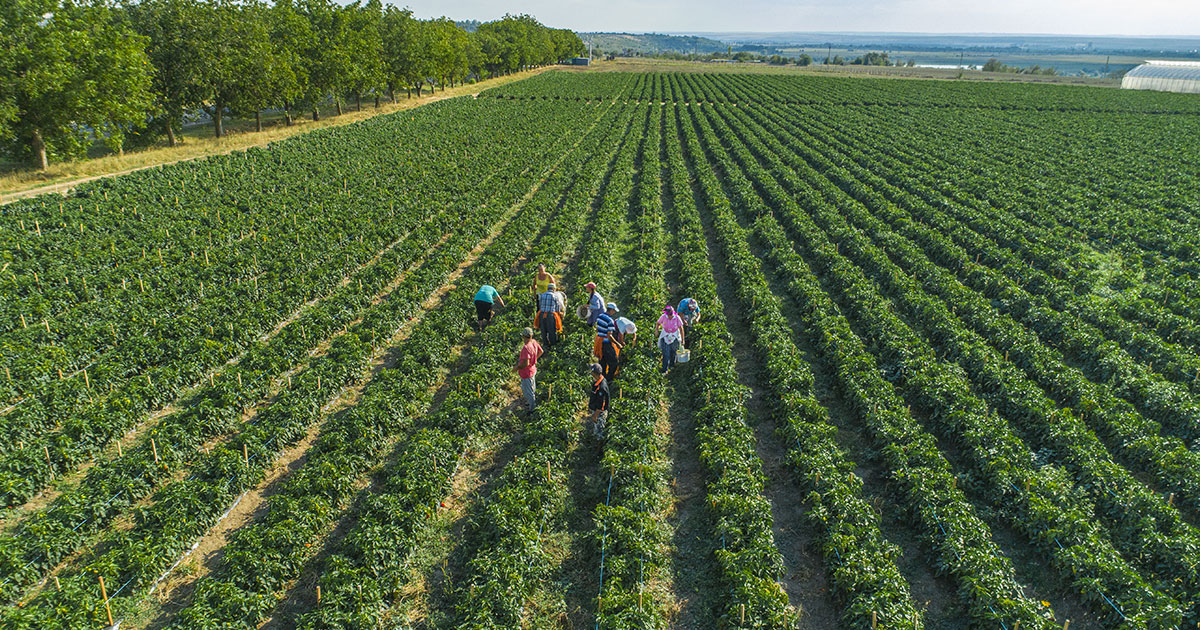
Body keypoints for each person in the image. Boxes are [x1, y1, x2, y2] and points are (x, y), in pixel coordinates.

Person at [515, 327, 543, 413]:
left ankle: (532, 409)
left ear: (524, 336)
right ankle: (529, 403)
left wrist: (517, 368)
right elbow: (541, 351)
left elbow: (526, 363)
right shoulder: (534, 342)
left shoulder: (526, 348)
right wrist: (534, 360)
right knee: (531, 387)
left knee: (529, 391)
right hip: (532, 369)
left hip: (526, 373)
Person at [594, 304, 623, 381]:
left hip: (599, 342)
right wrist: (617, 344)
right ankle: (608, 379)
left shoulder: (600, 316)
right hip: (605, 344)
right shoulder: (610, 321)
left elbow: (597, 329)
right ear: (612, 310)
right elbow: (609, 336)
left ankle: (602, 378)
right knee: (614, 362)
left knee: (602, 361)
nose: (614, 312)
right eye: (614, 311)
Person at [656, 305, 685, 375]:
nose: (668, 316)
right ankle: (664, 369)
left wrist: (682, 339)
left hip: (674, 335)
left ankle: (672, 365)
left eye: (669, 315)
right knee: (665, 353)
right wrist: (656, 330)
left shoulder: (677, 318)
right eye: (667, 315)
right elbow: (658, 323)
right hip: (665, 335)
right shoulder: (663, 317)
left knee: (673, 351)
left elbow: (681, 328)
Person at [537, 282, 565, 346]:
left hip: (542, 314)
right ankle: (553, 345)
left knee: (543, 330)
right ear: (554, 289)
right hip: (550, 314)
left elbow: (540, 305)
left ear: (548, 288)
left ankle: (545, 344)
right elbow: (557, 308)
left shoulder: (542, 295)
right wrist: (559, 315)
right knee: (551, 330)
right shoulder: (555, 296)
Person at [587, 363, 610, 439]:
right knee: (596, 429)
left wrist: (595, 415)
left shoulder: (601, 387)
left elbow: (601, 404)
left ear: (594, 373)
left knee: (599, 431)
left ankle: (597, 446)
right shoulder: (598, 381)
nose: (591, 373)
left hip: (600, 413)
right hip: (597, 410)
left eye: (592, 371)